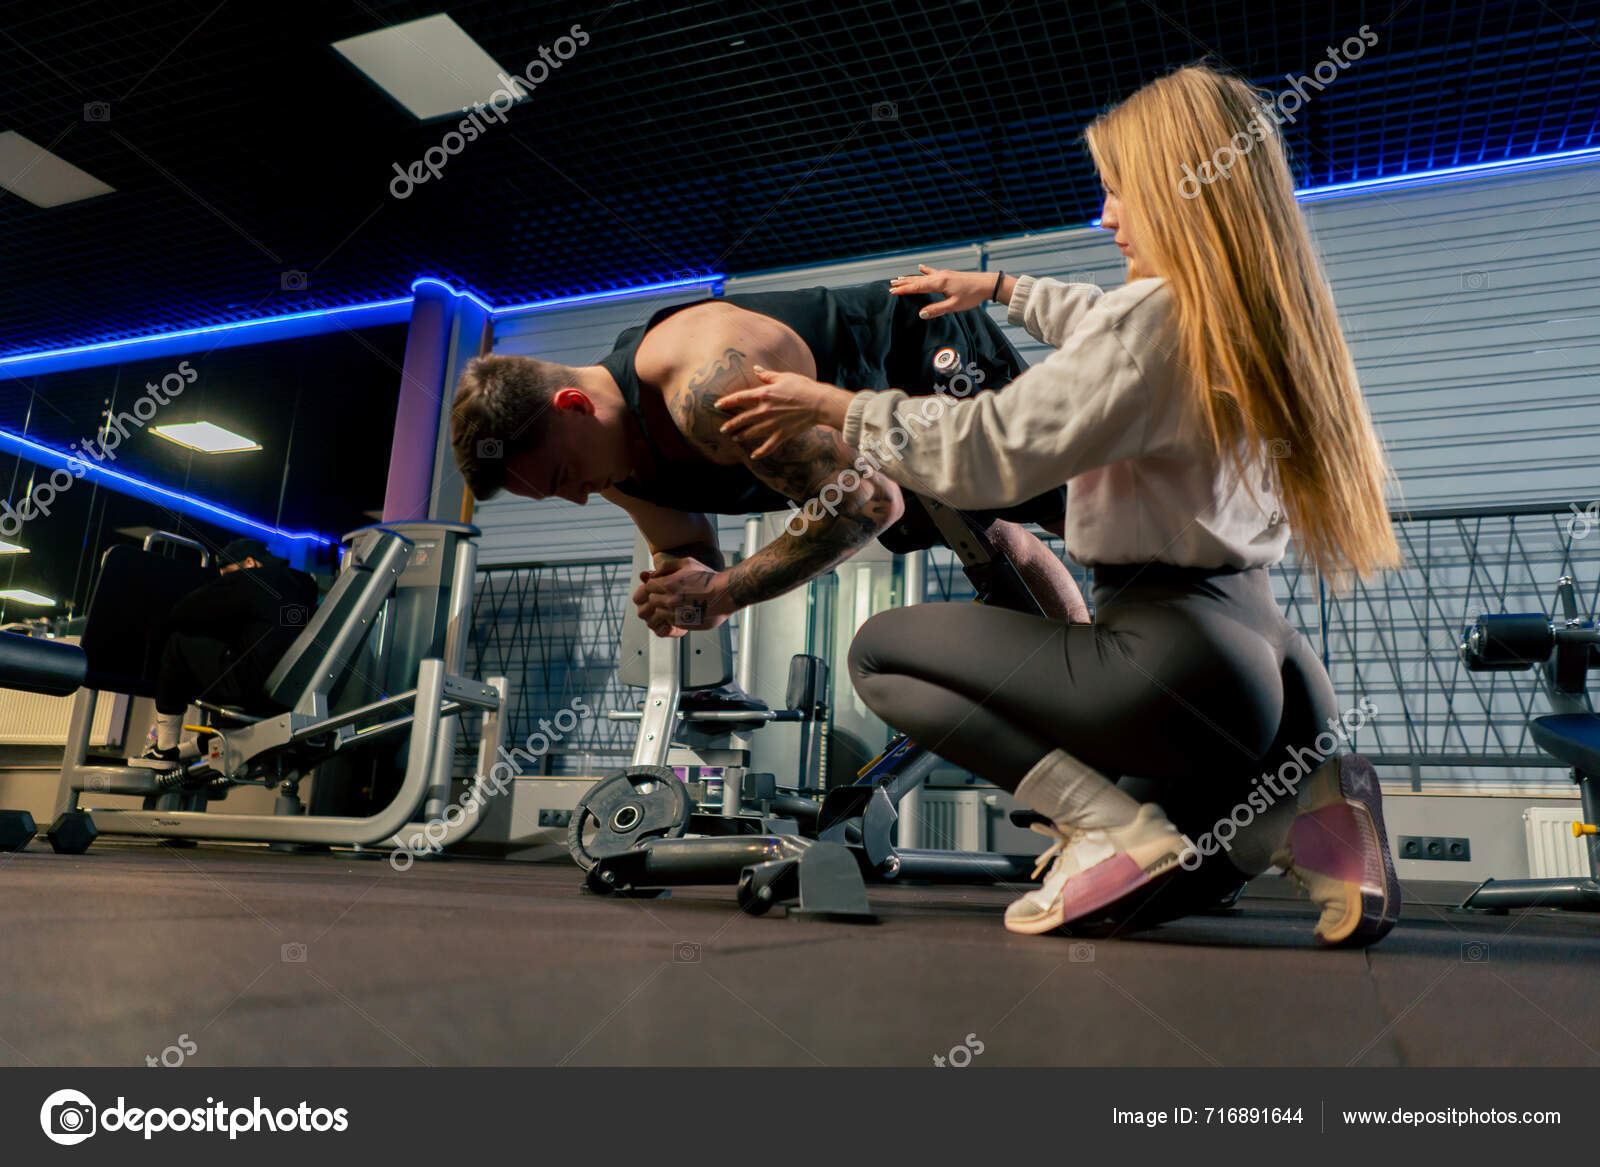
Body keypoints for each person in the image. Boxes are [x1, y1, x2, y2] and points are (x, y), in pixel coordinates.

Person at [714, 64, 1404, 947]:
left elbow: (988, 453)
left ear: (1180, 190)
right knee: (1203, 866)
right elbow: (1102, 322)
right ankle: (1320, 803)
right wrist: (1000, 288)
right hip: (1272, 662)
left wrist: (833, 406)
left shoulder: (1153, 321)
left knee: (881, 652)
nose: (1105, 215)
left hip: (1169, 663)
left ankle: (1114, 830)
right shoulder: (1253, 316)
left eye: (1119, 192)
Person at [449, 281, 1090, 639]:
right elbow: (685, 544)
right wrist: (679, 594)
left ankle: (1153, 676)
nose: (581, 497)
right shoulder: (608, 462)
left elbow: (868, 506)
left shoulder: (708, 388)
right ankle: (1087, 716)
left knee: (1069, 515)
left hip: (920, 356)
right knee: (983, 534)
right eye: (557, 494)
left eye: (563, 479)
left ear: (573, 405)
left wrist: (721, 594)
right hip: (859, 450)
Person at [130, 537, 319, 769]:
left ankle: (165, 749)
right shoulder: (303, 584)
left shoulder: (249, 578)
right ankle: (187, 748)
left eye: (228, 573)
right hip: (289, 695)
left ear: (250, 563)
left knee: (178, 643)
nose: (226, 580)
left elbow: (182, 612)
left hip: (251, 688)